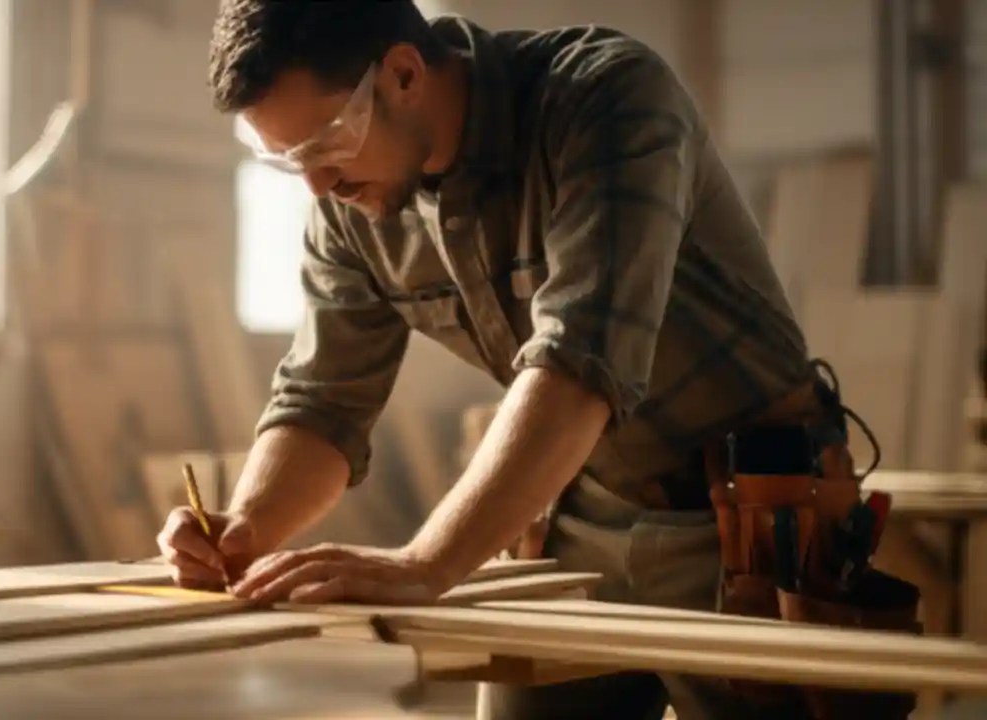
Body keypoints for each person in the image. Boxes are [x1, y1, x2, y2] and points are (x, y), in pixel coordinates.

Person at [158, 2, 826, 717]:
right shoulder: (349, 202)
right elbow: (322, 401)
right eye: (288, 160)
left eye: (327, 140)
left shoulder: (607, 99)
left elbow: (580, 361)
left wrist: (427, 563)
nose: (318, 185)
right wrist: (246, 529)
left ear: (405, 73)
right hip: (572, 505)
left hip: (748, 509)